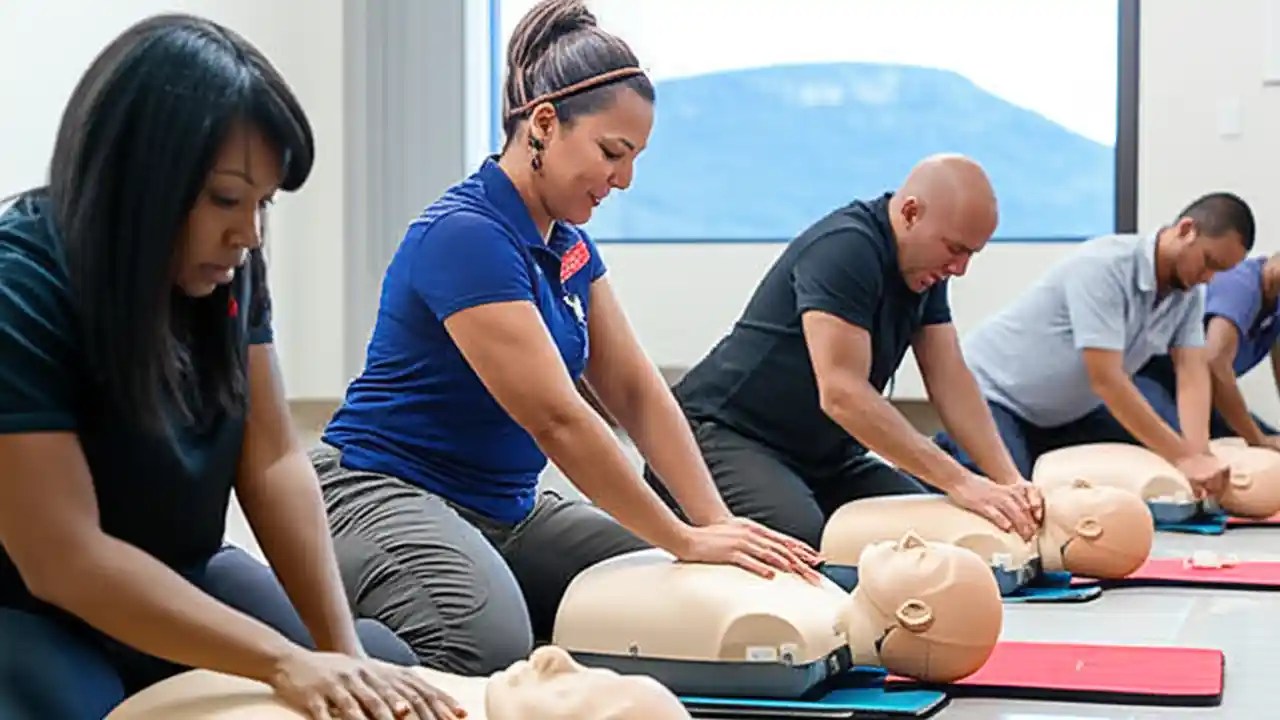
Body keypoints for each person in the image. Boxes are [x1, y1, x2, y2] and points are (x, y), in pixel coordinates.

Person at [311, 0, 819, 678]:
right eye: (613, 152)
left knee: (666, 598)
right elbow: (558, 417)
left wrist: (712, 527)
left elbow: (635, 391)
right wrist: (680, 535)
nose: (625, 179)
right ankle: (336, 638)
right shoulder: (467, 235)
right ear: (544, 123)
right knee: (485, 644)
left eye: (634, 158)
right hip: (379, 491)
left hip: (503, 508)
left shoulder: (570, 247)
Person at [0, 14, 465, 720]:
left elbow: (274, 460)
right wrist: (282, 659)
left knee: (383, 666)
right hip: (28, 601)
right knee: (76, 703)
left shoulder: (226, 273)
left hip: (177, 567)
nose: (247, 234)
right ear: (140, 179)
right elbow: (64, 557)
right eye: (225, 199)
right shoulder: (20, 288)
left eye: (261, 205)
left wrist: (341, 656)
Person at [644, 154, 1043, 554]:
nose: (960, 268)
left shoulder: (927, 268)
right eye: (955, 250)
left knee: (935, 529)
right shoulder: (847, 248)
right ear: (910, 213)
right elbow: (842, 394)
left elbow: (950, 380)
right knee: (801, 541)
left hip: (825, 456)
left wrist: (1009, 482)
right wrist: (960, 481)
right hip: (724, 435)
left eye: (971, 254)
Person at [935, 192, 1255, 500]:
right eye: (1208, 262)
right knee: (1011, 498)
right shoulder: (1105, 266)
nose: (1209, 278)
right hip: (992, 396)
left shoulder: (1189, 291)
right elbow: (1107, 380)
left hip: (1066, 414)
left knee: (1161, 457)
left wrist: (1199, 453)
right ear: (1186, 230)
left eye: (1219, 271)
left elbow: (1191, 371)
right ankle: (942, 454)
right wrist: (1184, 458)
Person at [1132, 251, 1280, 449]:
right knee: (1186, 449)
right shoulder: (1241, 283)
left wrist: (1262, 438)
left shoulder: (1275, 303)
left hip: (1199, 391)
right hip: (1148, 378)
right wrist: (1257, 439)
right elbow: (1214, 362)